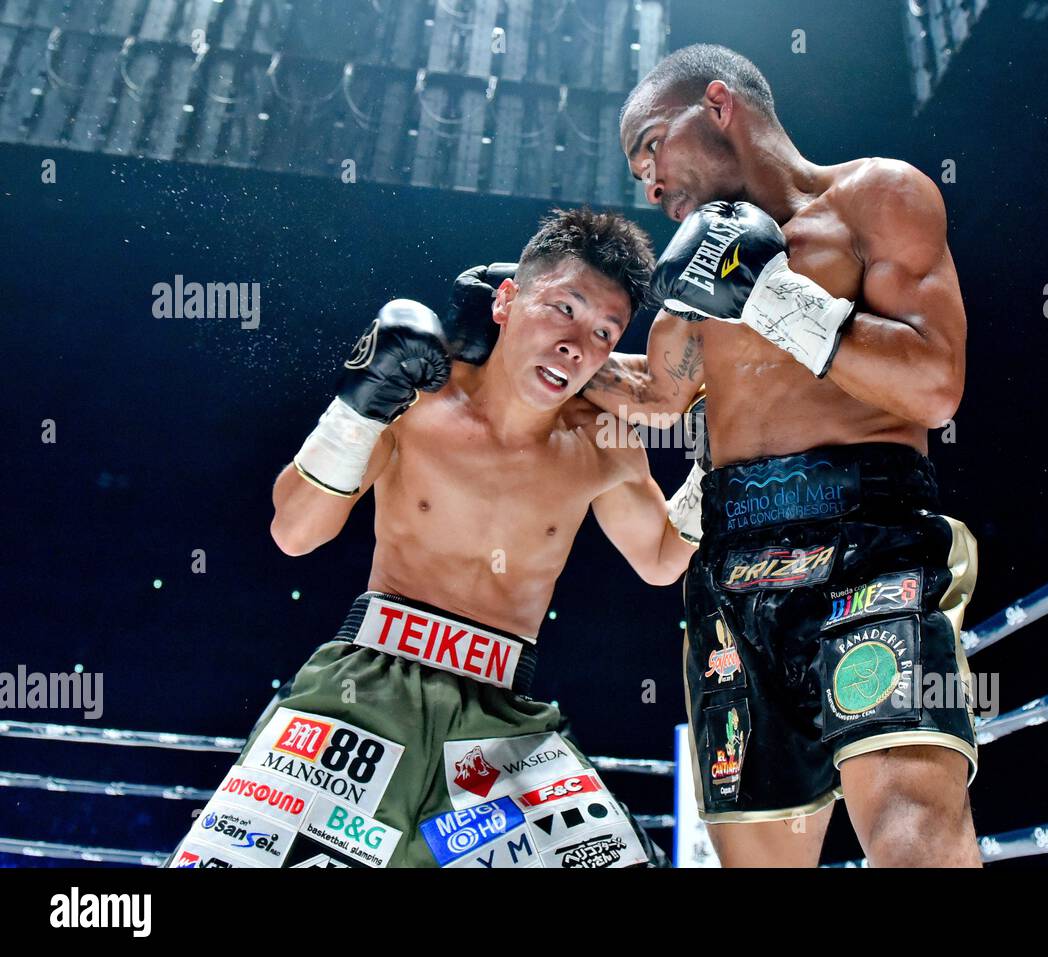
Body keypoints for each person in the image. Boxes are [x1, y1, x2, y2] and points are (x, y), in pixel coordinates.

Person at [167, 207, 695, 869]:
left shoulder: (603, 445)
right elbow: (294, 531)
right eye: (563, 308)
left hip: (503, 726)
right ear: (507, 299)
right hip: (362, 696)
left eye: (603, 331)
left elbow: (659, 558)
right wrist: (356, 408)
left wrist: (720, 466)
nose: (577, 344)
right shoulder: (417, 399)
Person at [586, 44, 981, 867]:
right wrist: (522, 337)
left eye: (652, 146)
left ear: (718, 104)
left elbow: (937, 385)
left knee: (912, 818)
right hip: (733, 574)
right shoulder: (692, 279)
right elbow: (656, 398)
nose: (649, 184)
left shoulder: (877, 198)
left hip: (870, 546)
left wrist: (773, 295)